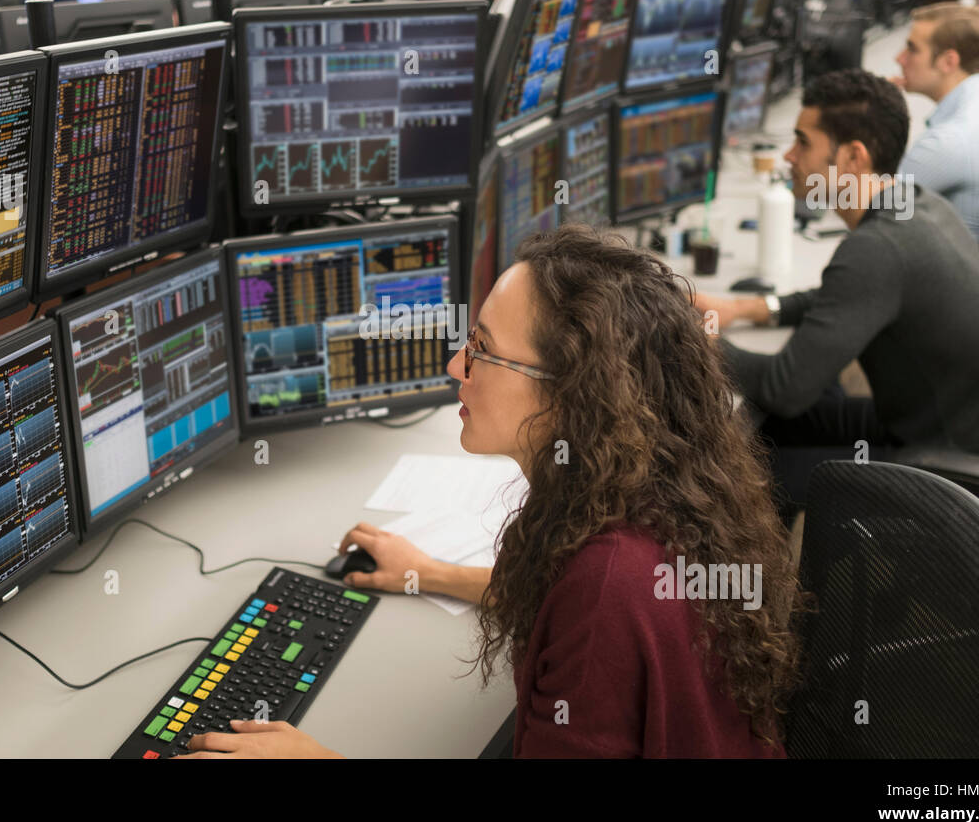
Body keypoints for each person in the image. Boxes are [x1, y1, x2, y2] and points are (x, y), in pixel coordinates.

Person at [178, 225, 802, 758]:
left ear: (571, 391)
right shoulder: (633, 494)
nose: (456, 367)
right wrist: (429, 572)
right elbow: (557, 593)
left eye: (481, 349)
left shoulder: (610, 581)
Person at [694, 69, 979, 522]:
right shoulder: (917, 204)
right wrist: (749, 308)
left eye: (803, 142)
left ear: (853, 156)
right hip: (953, 438)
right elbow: (846, 296)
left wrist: (700, 341)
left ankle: (772, 593)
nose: (788, 155)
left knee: (737, 471)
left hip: (963, 486)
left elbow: (784, 388)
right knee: (773, 430)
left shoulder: (877, 249)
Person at [894, 2, 979, 243]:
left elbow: (873, 208)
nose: (899, 58)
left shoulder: (949, 142)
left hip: (943, 274)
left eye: (912, 49)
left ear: (948, 61)